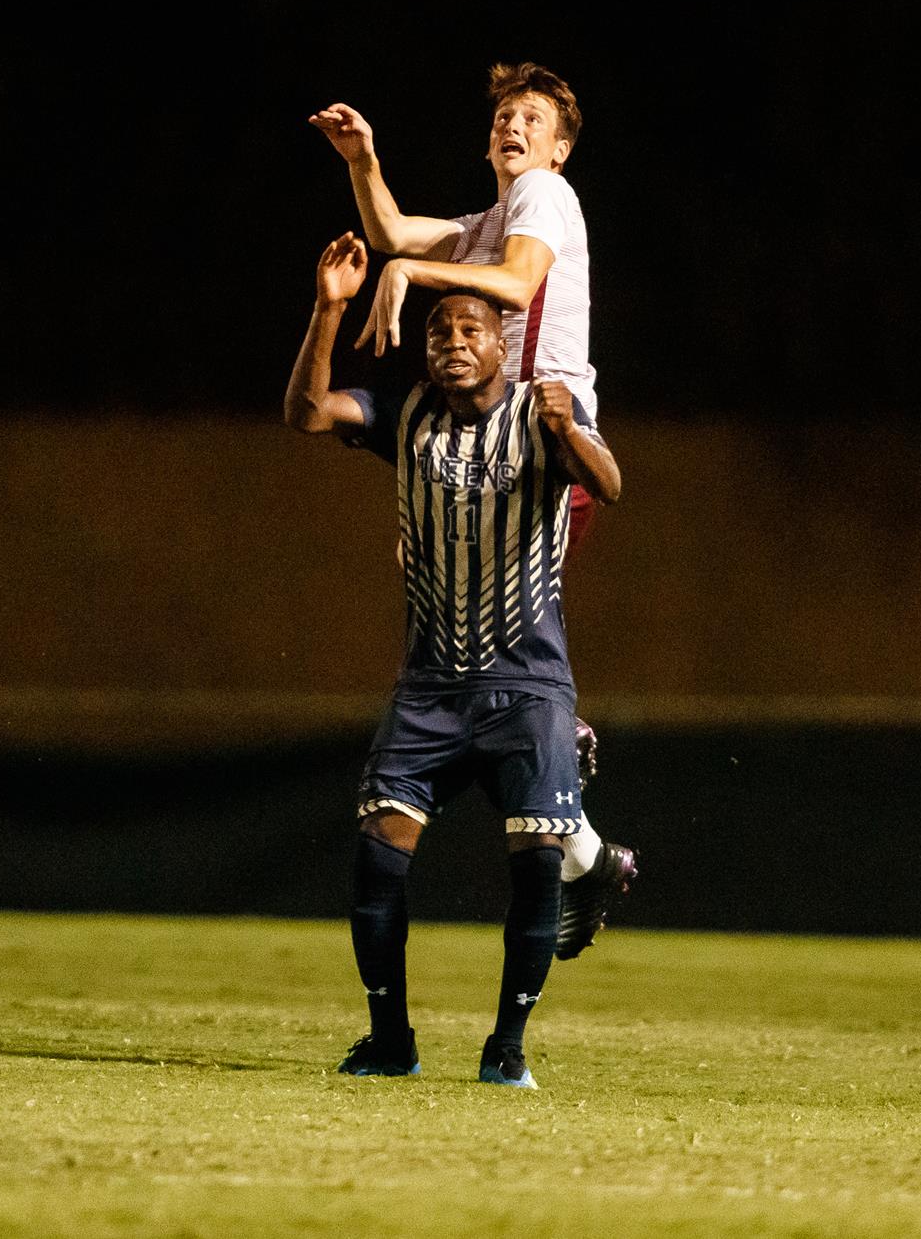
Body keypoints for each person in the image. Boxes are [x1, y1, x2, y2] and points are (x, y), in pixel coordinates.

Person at [309, 63, 636, 959]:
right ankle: (589, 849)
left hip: (548, 438)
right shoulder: (493, 218)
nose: (513, 127)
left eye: (531, 117)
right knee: (446, 585)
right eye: (502, 114)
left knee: (499, 631)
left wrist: (409, 271)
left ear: (560, 148)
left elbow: (519, 286)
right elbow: (389, 231)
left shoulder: (543, 198)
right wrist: (363, 160)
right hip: (497, 440)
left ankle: (555, 731)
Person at [283, 230, 622, 1088]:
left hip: (527, 684)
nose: (455, 343)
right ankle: (390, 1038)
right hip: (431, 684)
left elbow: (611, 484)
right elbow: (306, 413)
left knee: (536, 859)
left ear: (499, 341)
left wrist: (568, 433)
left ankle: (507, 1048)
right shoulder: (406, 417)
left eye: (472, 329)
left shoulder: (539, 416)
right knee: (377, 853)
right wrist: (329, 310)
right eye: (441, 333)